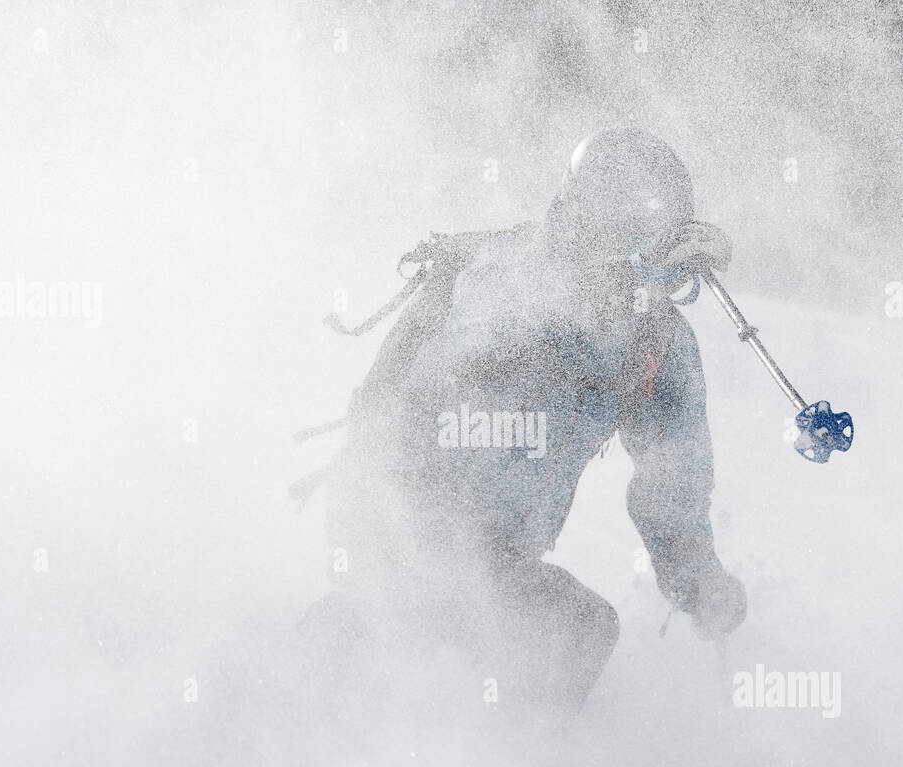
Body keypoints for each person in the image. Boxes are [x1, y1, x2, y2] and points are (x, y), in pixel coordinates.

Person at [300, 128, 746, 711]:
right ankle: (287, 710)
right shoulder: (506, 268)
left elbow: (672, 480)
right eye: (617, 218)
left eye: (650, 225)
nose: (629, 238)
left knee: (571, 631)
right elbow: (522, 332)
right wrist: (620, 291)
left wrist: (697, 578)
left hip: (494, 555)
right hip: (395, 518)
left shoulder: (655, 343)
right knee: (388, 631)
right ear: (576, 208)